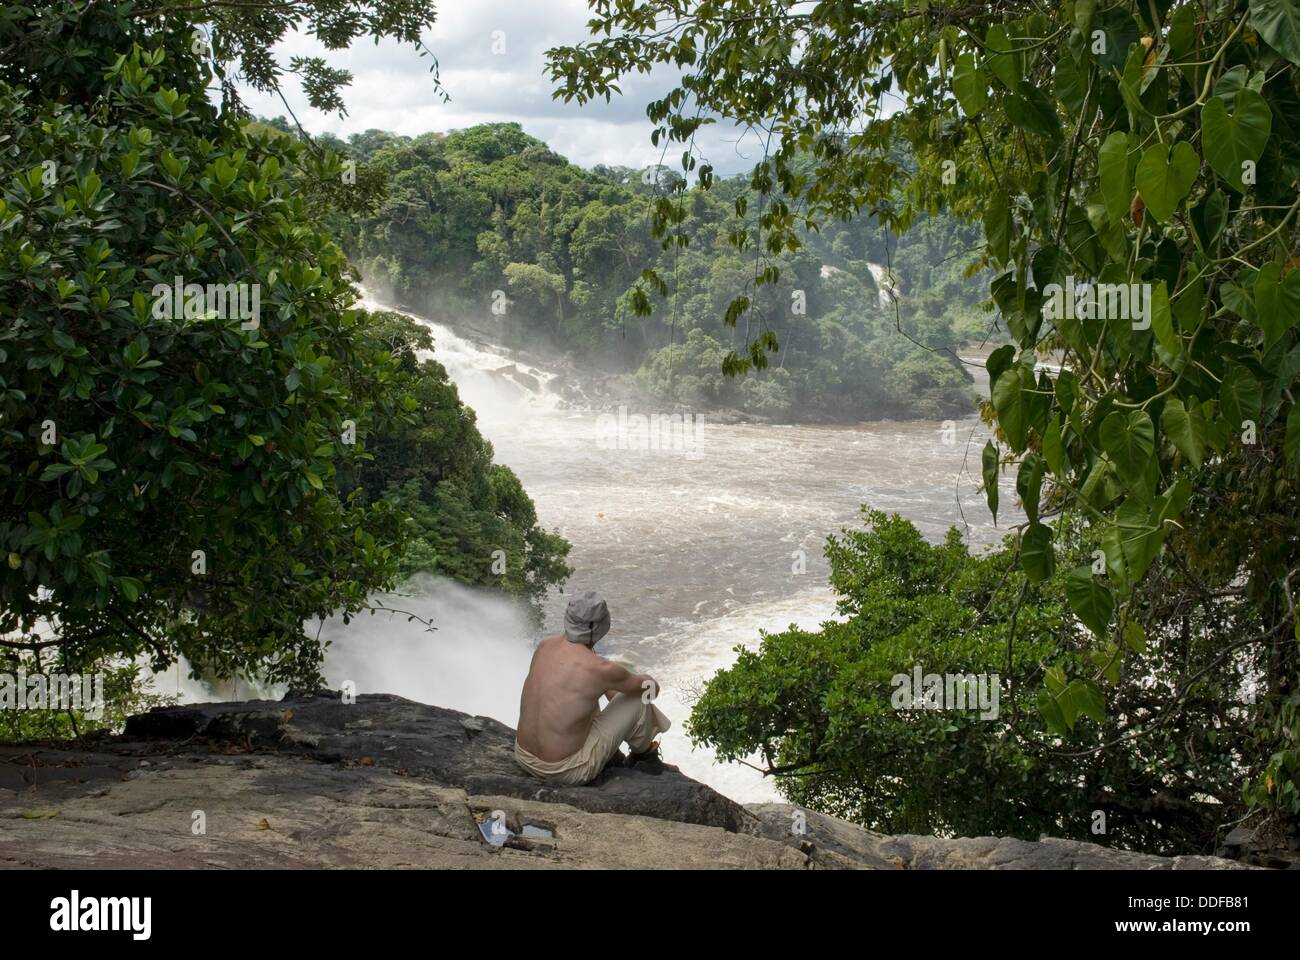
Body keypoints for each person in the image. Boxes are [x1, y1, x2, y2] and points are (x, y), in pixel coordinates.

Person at [514, 590, 670, 785]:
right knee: (637, 700)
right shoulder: (600, 669)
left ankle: (638, 749)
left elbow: (579, 684)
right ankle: (644, 756)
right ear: (602, 625)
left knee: (594, 696)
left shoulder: (544, 646)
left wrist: (613, 682)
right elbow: (650, 690)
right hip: (563, 771)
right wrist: (639, 677)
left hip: (523, 756)